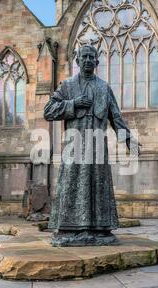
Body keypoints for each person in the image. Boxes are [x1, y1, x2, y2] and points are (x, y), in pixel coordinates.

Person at [44, 45, 140, 247]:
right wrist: (73, 104)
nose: (88, 60)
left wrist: (129, 140)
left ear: (97, 62)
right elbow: (49, 111)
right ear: (77, 61)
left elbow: (116, 117)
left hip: (97, 147)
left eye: (91, 57)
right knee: (72, 184)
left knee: (98, 184)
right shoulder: (67, 86)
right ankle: (69, 229)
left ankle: (99, 229)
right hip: (74, 145)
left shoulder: (104, 88)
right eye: (84, 57)